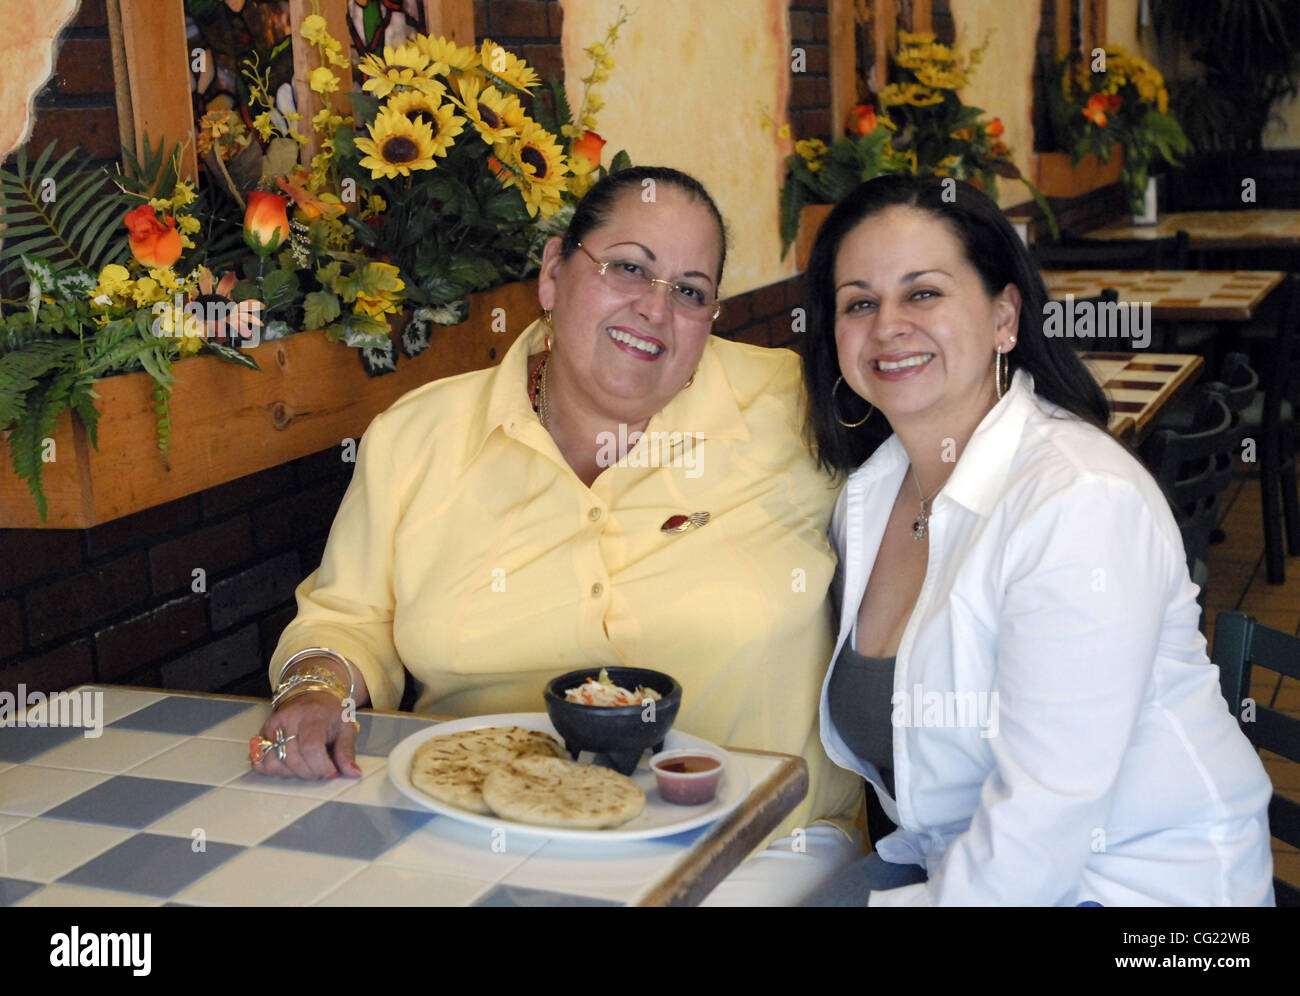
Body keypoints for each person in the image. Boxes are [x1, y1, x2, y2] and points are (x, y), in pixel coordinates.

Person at [253, 165, 863, 902]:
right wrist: (317, 689)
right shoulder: (420, 437)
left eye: (691, 291)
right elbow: (344, 620)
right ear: (552, 272)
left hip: (757, 850)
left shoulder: (796, 411)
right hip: (479, 842)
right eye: (628, 268)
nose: (654, 309)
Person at [798, 174, 1274, 906]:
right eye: (859, 302)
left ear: (1004, 317)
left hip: (1141, 894)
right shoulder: (869, 493)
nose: (887, 324)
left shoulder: (1078, 502)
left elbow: (1046, 816)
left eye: (923, 293)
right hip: (949, 860)